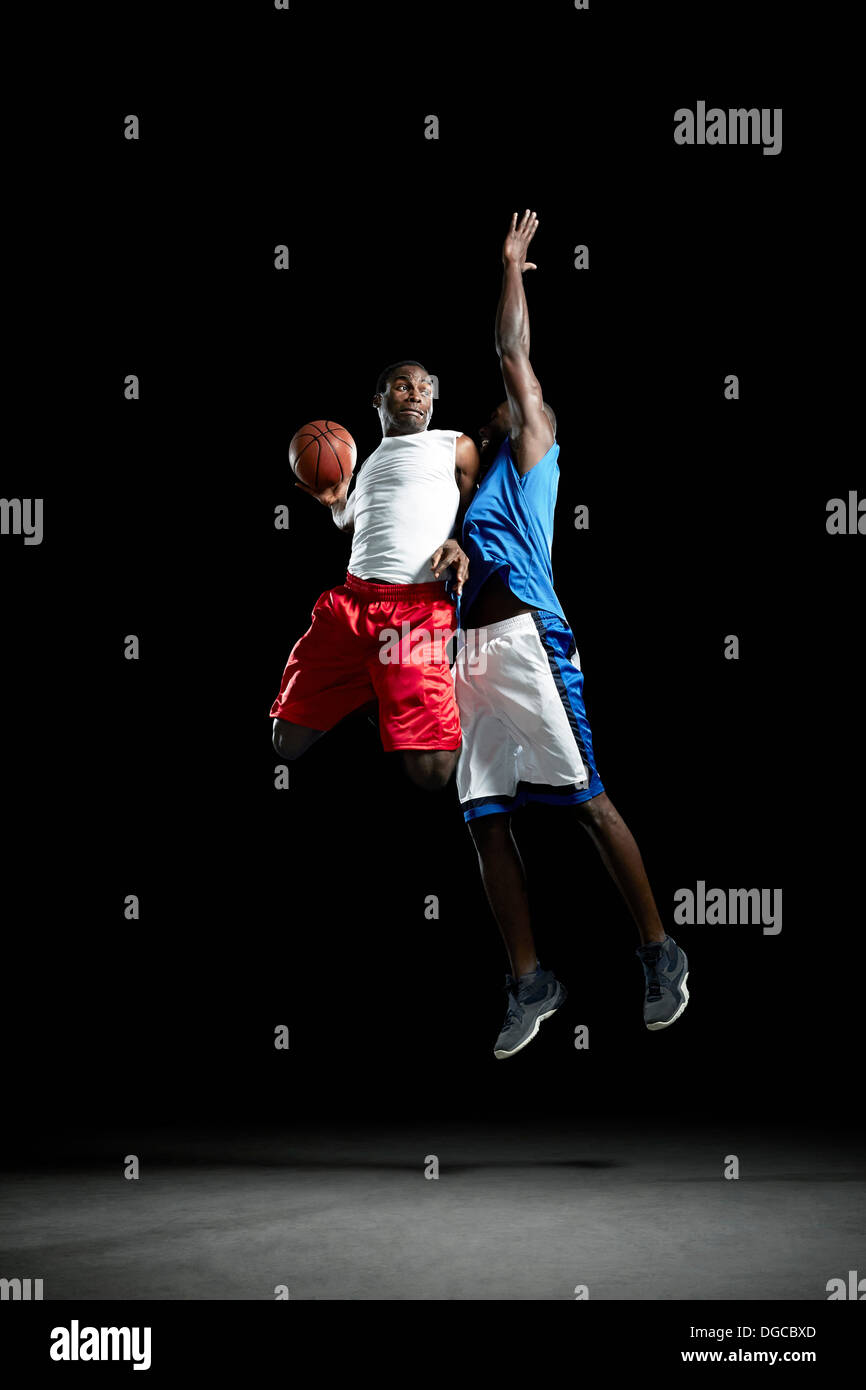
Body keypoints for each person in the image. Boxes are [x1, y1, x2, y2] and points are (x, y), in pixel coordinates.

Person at [455, 212, 689, 1055]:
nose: (509, 403)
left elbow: (512, 353)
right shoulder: (455, 501)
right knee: (484, 820)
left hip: (529, 642)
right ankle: (530, 980)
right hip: (468, 661)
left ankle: (661, 953)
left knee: (588, 803)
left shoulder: (531, 455)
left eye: (514, 404)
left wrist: (512, 265)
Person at [271, 362, 480, 789]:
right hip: (351, 604)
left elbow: (479, 512)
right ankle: (382, 685)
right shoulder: (364, 465)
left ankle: (414, 685)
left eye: (425, 388)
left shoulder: (453, 445)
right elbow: (352, 521)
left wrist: (462, 544)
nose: (417, 394)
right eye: (403, 386)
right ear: (378, 400)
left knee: (432, 776)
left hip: (417, 612)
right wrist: (335, 504)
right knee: (285, 742)